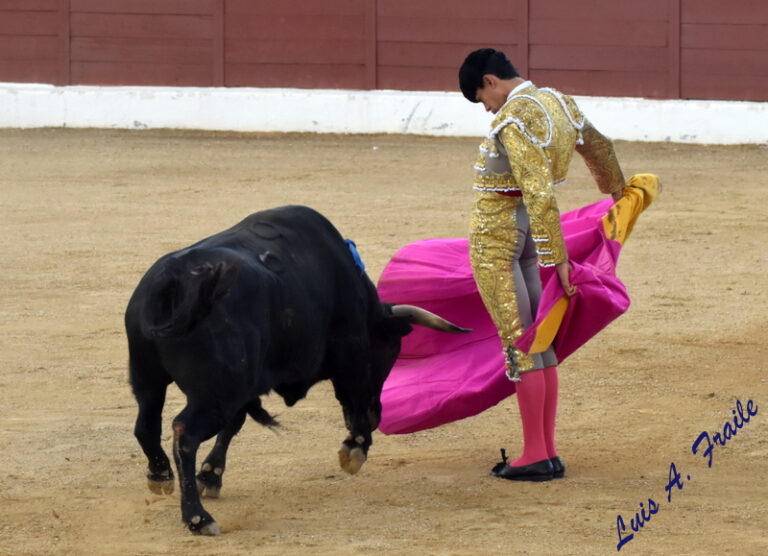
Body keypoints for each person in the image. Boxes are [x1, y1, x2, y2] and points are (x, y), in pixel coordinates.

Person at [458, 48, 627, 482]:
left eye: (482, 98)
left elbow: (538, 192)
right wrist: (620, 196)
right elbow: (601, 149)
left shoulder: (512, 119)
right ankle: (545, 451)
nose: (486, 108)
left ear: (491, 81)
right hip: (527, 238)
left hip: (499, 243)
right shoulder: (558, 102)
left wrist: (561, 261)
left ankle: (535, 454)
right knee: (538, 340)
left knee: (521, 342)